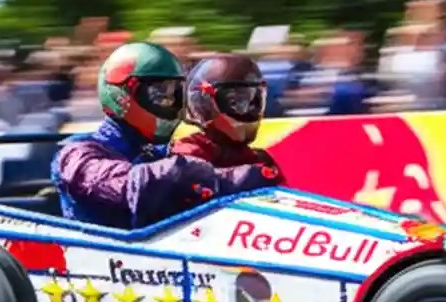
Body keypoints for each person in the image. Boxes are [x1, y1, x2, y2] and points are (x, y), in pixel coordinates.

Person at [52, 42, 278, 229]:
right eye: (161, 95)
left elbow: (201, 169)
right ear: (122, 94)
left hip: (161, 268)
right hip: (95, 273)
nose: (171, 104)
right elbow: (131, 184)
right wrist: (195, 174)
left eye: (176, 94)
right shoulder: (78, 154)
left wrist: (254, 167)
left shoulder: (162, 152)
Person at [171, 53, 284, 185]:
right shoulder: (187, 155)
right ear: (204, 106)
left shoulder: (259, 158)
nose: (248, 109)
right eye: (235, 102)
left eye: (254, 100)